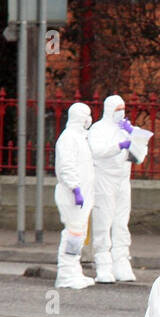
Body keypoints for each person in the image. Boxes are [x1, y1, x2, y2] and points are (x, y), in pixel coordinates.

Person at [88, 94, 147, 283]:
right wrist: (118, 146)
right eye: (117, 109)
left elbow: (140, 155)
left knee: (121, 221)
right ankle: (103, 262)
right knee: (103, 220)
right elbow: (96, 151)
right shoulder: (98, 129)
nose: (121, 113)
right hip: (104, 178)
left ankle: (121, 261)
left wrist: (134, 135)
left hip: (123, 179)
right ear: (108, 110)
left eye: (123, 108)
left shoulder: (126, 129)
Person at [53, 102, 96, 290]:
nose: (89, 119)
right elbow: (67, 166)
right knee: (73, 233)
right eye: (87, 115)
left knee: (79, 233)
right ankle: (65, 273)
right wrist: (75, 189)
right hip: (71, 195)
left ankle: (73, 270)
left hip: (81, 194)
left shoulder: (80, 137)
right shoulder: (69, 138)